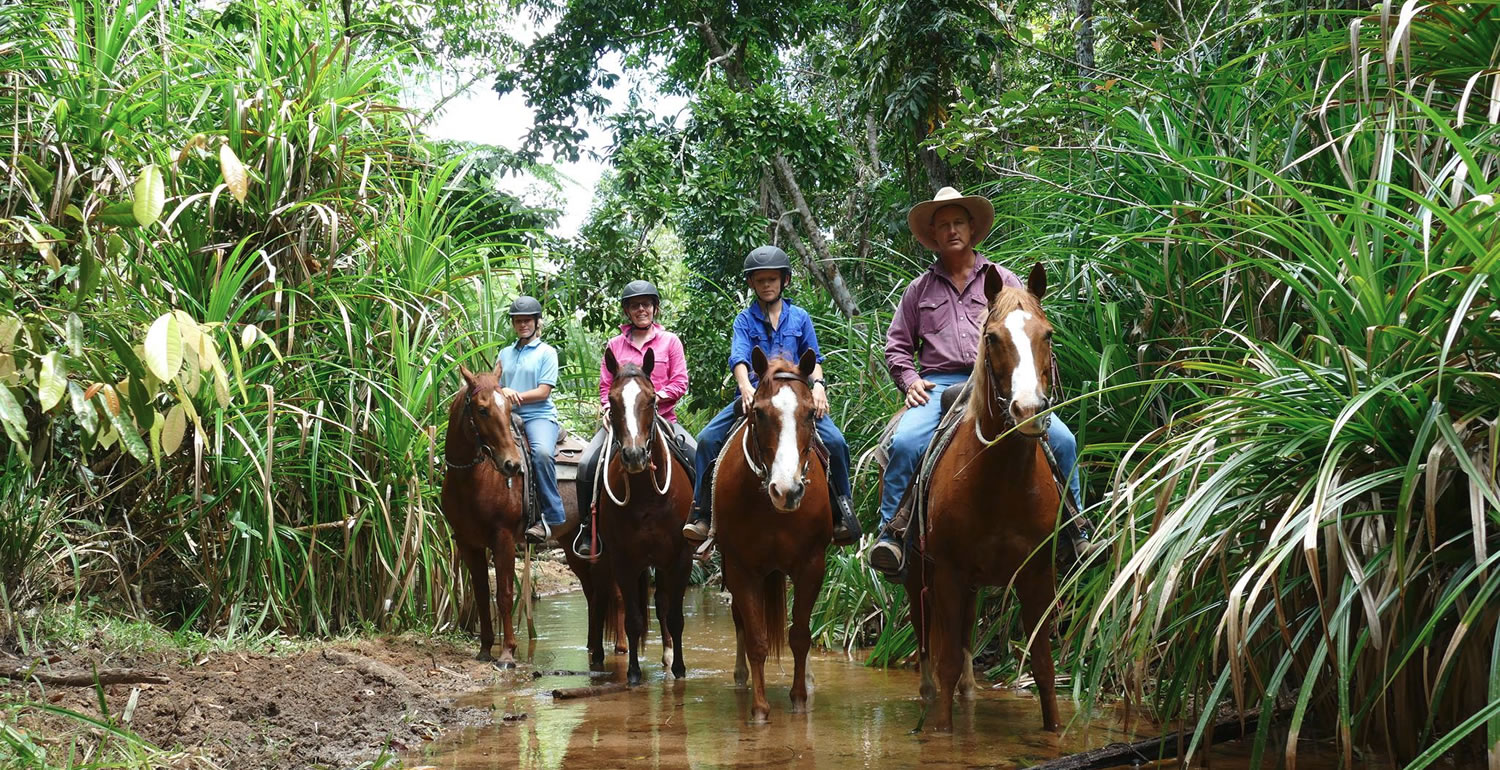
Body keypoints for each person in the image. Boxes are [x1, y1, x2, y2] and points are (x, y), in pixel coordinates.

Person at [866, 187, 1094, 575]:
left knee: (1063, 440)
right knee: (904, 442)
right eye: (943, 225)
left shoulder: (1004, 280)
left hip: (998, 380)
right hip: (939, 384)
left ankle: (1075, 528)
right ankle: (893, 533)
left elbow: (1026, 333)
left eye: (958, 223)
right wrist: (909, 382)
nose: (952, 230)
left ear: (971, 228)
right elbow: (897, 346)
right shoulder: (918, 290)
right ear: (933, 235)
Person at [681, 245, 860, 547]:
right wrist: (745, 386)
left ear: (784, 281)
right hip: (760, 396)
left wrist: (819, 386)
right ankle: (703, 514)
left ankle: (843, 511)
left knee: (837, 443)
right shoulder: (744, 320)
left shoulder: (800, 317)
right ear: (752, 283)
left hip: (796, 396)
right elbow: (739, 358)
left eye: (772, 279)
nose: (767, 285)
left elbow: (813, 358)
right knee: (708, 439)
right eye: (760, 280)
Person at [573, 280, 694, 558]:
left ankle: (701, 523)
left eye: (646, 304)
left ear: (655, 308)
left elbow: (680, 382)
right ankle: (586, 528)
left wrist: (650, 400)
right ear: (627, 311)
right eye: (635, 305)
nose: (641, 309)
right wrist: (608, 407)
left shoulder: (670, 342)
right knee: (587, 464)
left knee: (698, 455)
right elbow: (606, 386)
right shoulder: (614, 345)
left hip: (661, 418)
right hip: (621, 423)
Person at [499, 295, 566, 545]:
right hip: (508, 416)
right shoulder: (505, 353)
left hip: (538, 416)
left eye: (527, 320)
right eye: (518, 321)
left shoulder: (547, 353)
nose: (522, 325)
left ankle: (552, 515)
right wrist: (502, 392)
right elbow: (497, 387)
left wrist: (513, 395)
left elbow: (543, 392)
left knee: (541, 454)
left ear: (537, 322)